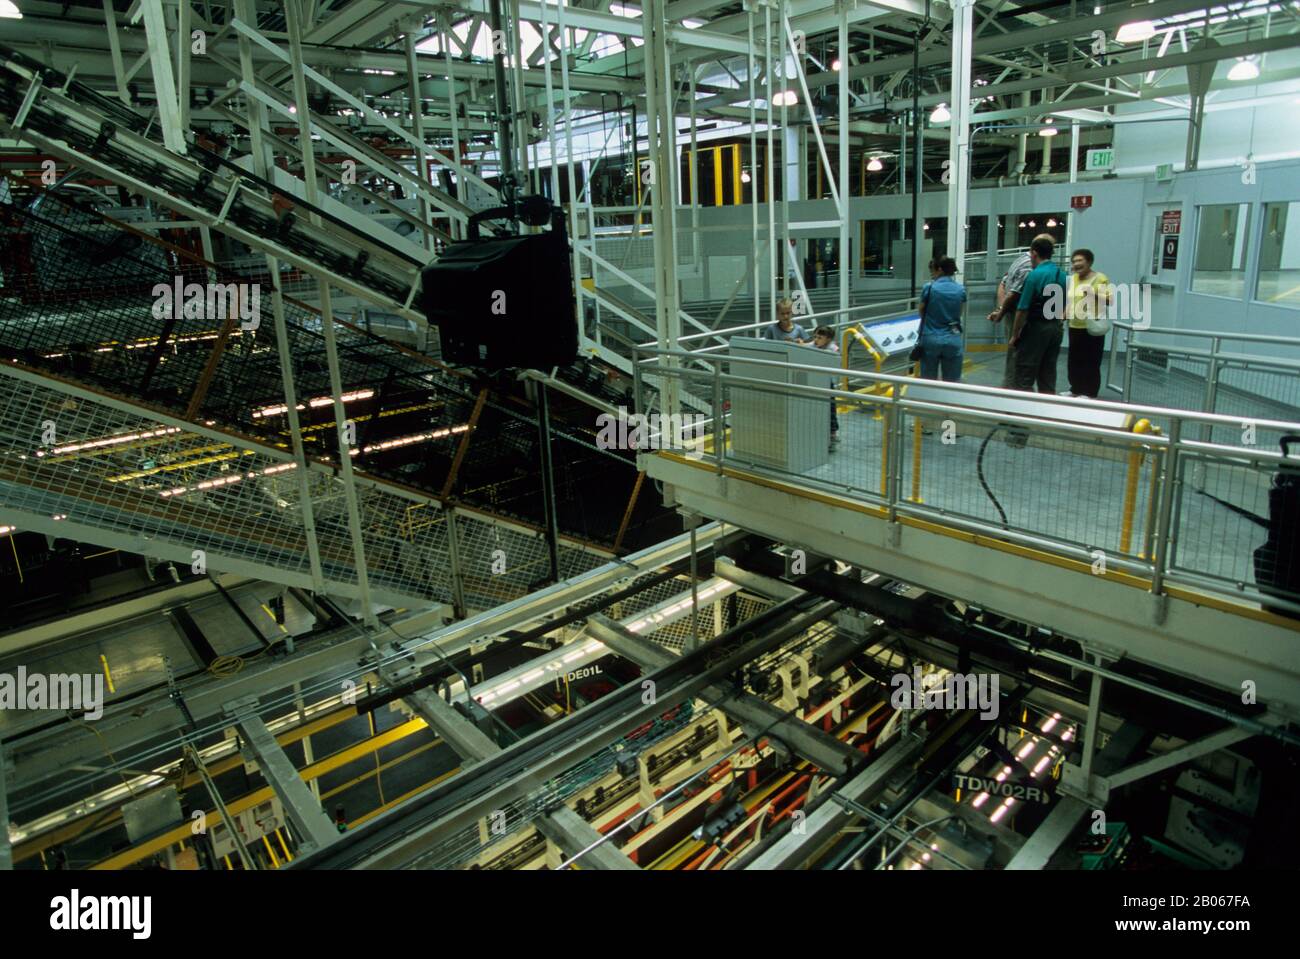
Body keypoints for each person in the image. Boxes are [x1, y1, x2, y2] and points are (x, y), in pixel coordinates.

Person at [987, 233, 1056, 388]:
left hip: (1014, 315)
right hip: (1022, 319)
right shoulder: (1030, 266)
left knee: (1014, 357)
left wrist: (1000, 310)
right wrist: (1004, 315)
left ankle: (1010, 390)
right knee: (1020, 360)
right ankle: (1013, 395)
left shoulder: (1020, 259)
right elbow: (1015, 296)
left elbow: (1003, 284)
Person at [1009, 236, 1069, 393]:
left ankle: (1023, 413)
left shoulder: (1035, 275)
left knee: (1024, 373)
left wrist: (1015, 335)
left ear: (1034, 253)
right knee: (1048, 373)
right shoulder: (1062, 274)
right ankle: (1045, 414)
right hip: (1055, 329)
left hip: (1036, 328)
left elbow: (1022, 309)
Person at [1064, 248, 1112, 398]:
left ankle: (1090, 392)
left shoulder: (1101, 278)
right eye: (1074, 261)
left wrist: (1093, 294)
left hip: (1092, 326)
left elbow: (1110, 300)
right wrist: (1065, 313)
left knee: (1091, 360)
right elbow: (1072, 299)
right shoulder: (1073, 279)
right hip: (1075, 325)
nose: (1076, 264)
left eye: (1080, 261)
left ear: (1089, 262)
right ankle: (1075, 389)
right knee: (1074, 359)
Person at [917, 256, 966, 383]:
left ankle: (929, 401)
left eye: (932, 271)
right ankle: (949, 402)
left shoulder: (929, 288)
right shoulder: (960, 289)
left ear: (939, 270)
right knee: (952, 382)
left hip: (931, 338)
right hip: (953, 339)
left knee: (928, 382)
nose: (932, 274)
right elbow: (959, 312)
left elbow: (921, 310)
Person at [811, 325, 840, 449]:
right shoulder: (814, 345)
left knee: (830, 408)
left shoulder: (832, 349)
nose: (816, 340)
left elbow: (825, 357)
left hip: (828, 383)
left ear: (828, 339)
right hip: (816, 381)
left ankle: (832, 434)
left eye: (820, 338)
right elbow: (806, 346)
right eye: (815, 337)